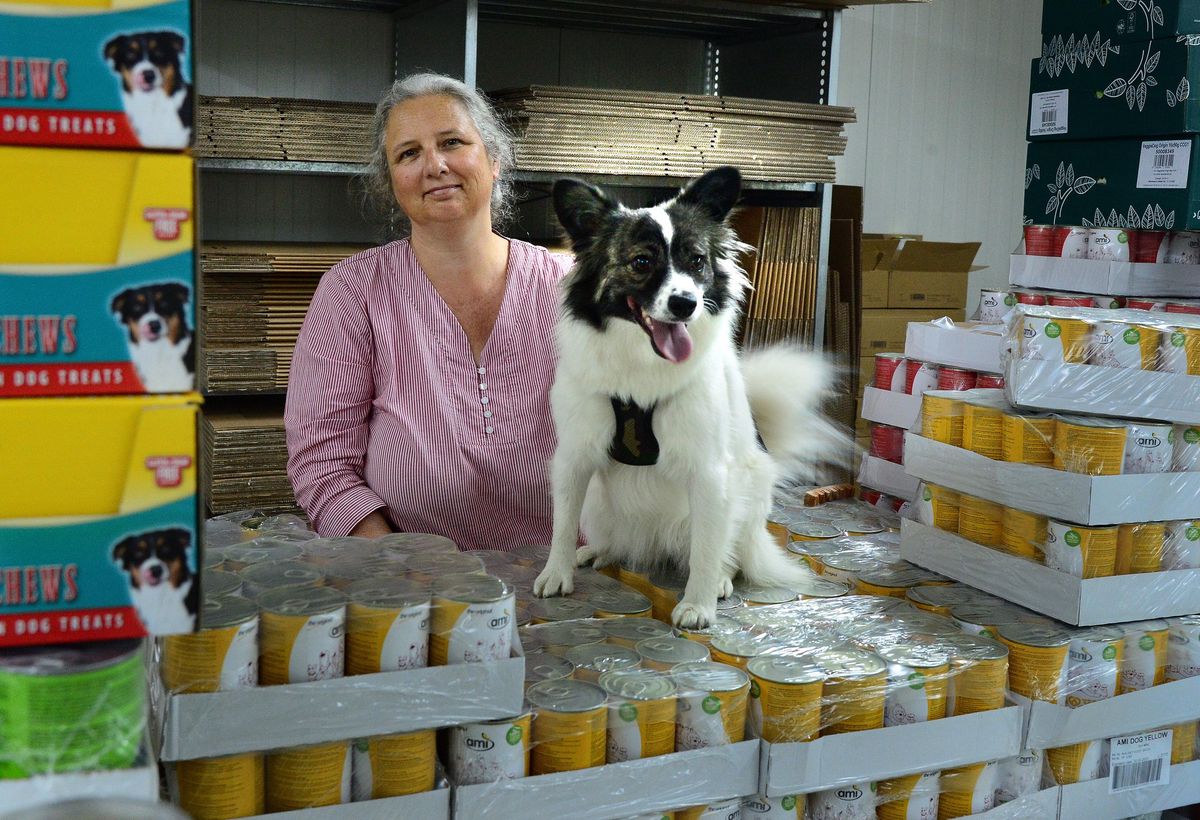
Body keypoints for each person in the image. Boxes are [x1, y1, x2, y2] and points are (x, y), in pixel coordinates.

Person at [284, 72, 571, 551]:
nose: (435, 165)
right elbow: (322, 464)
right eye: (408, 153)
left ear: (494, 159)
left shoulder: (565, 288)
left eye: (452, 142)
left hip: (571, 577)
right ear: (391, 181)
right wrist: (400, 572)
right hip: (414, 587)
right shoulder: (353, 292)